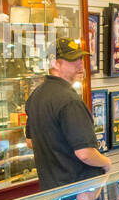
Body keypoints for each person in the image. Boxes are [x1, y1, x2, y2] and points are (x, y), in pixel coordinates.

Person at [25, 37, 112, 191]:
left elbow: (31, 142)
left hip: (50, 190)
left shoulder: (36, 95)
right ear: (55, 64)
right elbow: (85, 153)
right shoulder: (70, 101)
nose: (80, 64)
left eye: (80, 58)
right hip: (78, 193)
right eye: (72, 60)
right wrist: (106, 162)